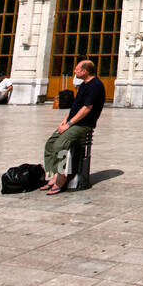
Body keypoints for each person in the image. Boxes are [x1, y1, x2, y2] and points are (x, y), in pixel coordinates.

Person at [40, 60, 105, 194]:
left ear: (85, 71)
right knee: (50, 144)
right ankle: (54, 174)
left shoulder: (96, 85)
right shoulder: (83, 85)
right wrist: (64, 122)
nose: (74, 71)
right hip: (72, 123)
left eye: (77, 69)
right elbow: (75, 107)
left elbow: (86, 109)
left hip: (83, 124)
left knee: (59, 146)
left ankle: (61, 178)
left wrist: (69, 124)